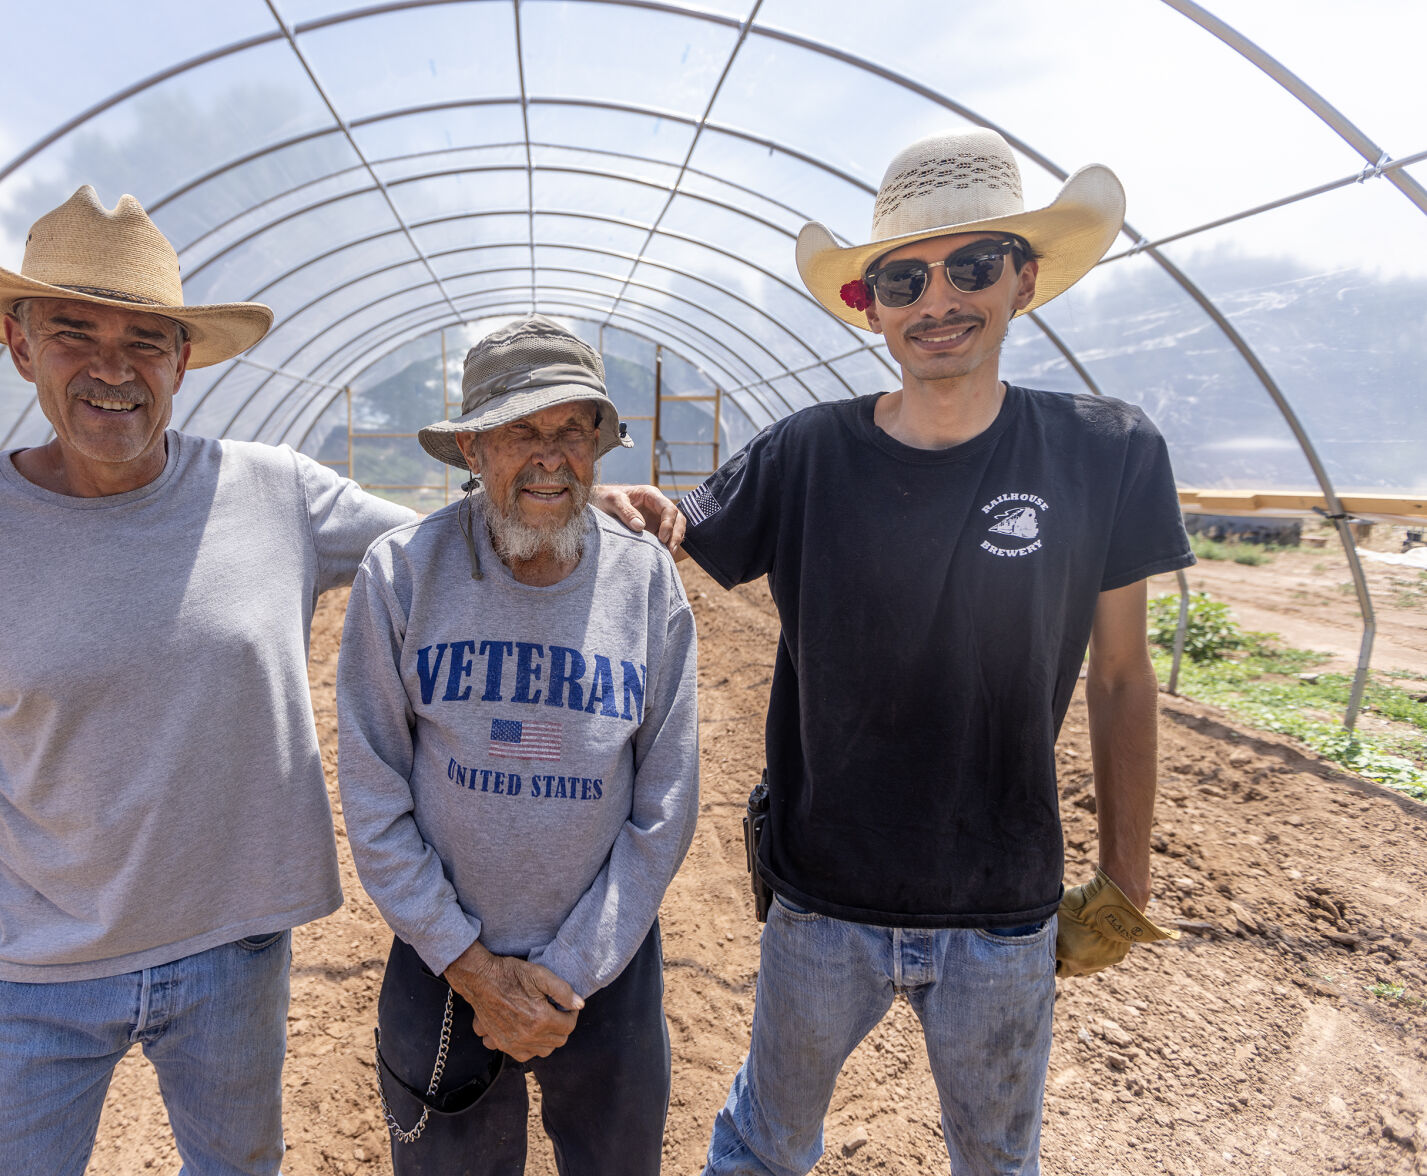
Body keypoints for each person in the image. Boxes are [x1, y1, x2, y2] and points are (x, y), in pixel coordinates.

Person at [626, 128, 1193, 1175]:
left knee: (994, 1159)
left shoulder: (1103, 452)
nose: (938, 300)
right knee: (761, 1146)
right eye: (903, 277)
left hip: (1000, 908)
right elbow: (671, 528)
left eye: (972, 266)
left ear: (1022, 281)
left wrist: (1124, 878)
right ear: (868, 304)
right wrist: (619, 503)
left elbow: (1120, 676)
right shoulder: (804, 454)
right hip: (821, 898)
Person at [0, 185, 423, 1174]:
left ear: (182, 359)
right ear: (19, 345)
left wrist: (567, 491)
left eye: (145, 340)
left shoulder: (275, 493)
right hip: (36, 968)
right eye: (72, 332)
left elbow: (443, 548)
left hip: (233, 952)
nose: (113, 369)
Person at [335, 316, 700, 1175]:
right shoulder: (402, 576)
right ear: (471, 449)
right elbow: (374, 793)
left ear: (597, 446)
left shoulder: (644, 582)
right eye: (520, 431)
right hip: (442, 960)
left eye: (570, 430)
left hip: (604, 968)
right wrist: (468, 966)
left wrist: (572, 971)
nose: (549, 456)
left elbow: (667, 801)